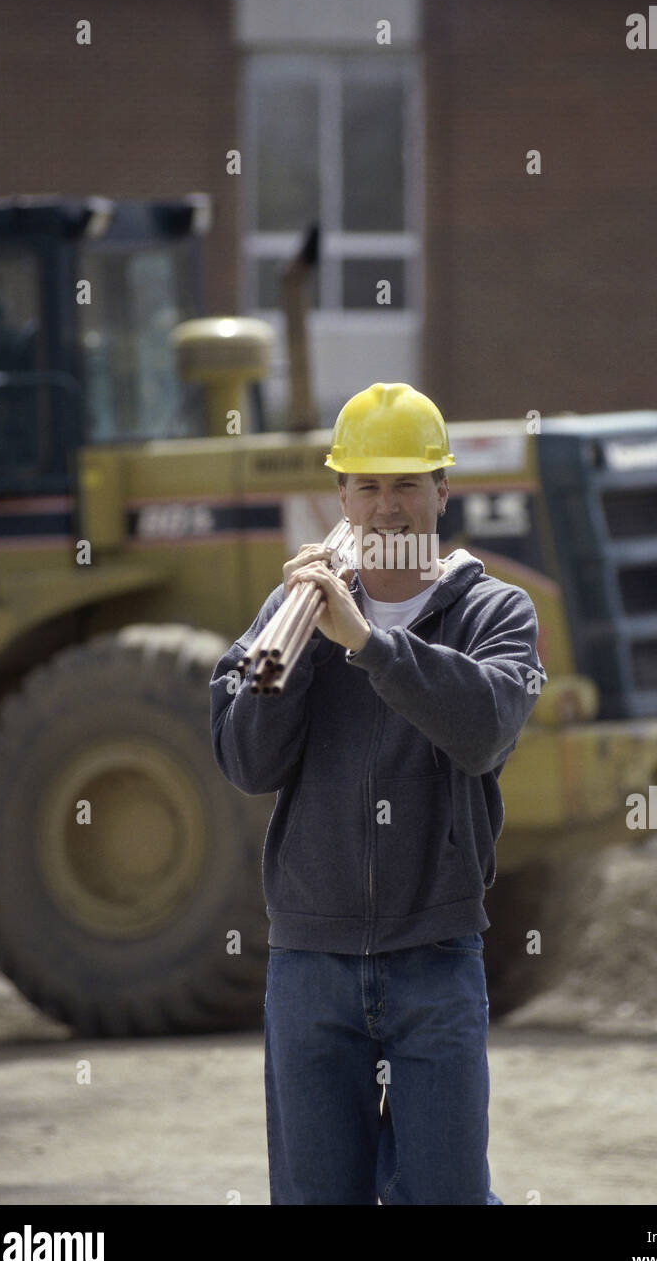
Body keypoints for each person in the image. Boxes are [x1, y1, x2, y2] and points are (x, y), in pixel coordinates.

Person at [210, 382, 546, 1204]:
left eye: (405, 484)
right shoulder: (291, 614)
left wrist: (364, 643)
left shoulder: (494, 612)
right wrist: (303, 640)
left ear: (442, 489)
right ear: (341, 495)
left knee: (446, 1195)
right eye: (368, 485)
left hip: (434, 957)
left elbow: (480, 728)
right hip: (309, 964)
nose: (387, 508)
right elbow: (249, 763)